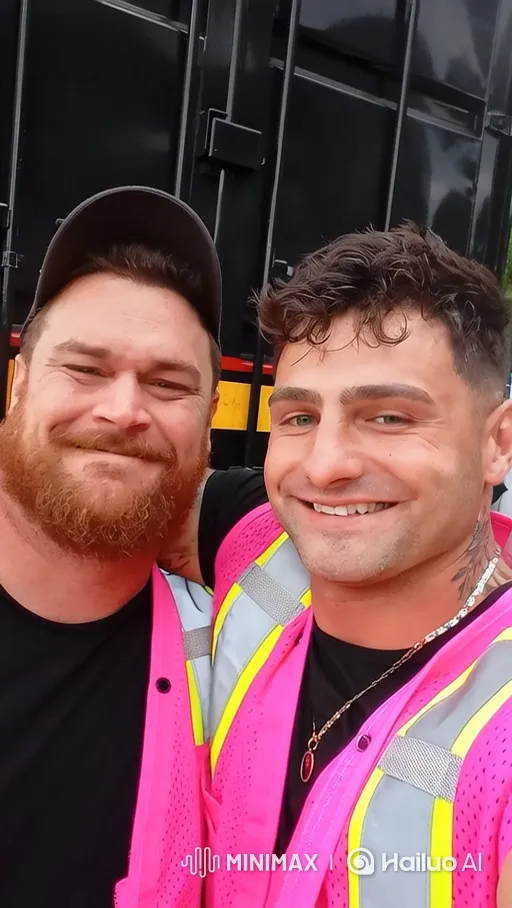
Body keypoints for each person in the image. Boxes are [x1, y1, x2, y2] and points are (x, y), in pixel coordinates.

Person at [198, 223, 512, 907]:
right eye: (301, 418)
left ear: (499, 444)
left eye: (390, 418)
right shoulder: (257, 542)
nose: (325, 466)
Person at [0, 185, 223, 908]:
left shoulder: (232, 666)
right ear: (18, 385)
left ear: (209, 423)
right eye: (87, 369)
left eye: (166, 384)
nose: (123, 410)